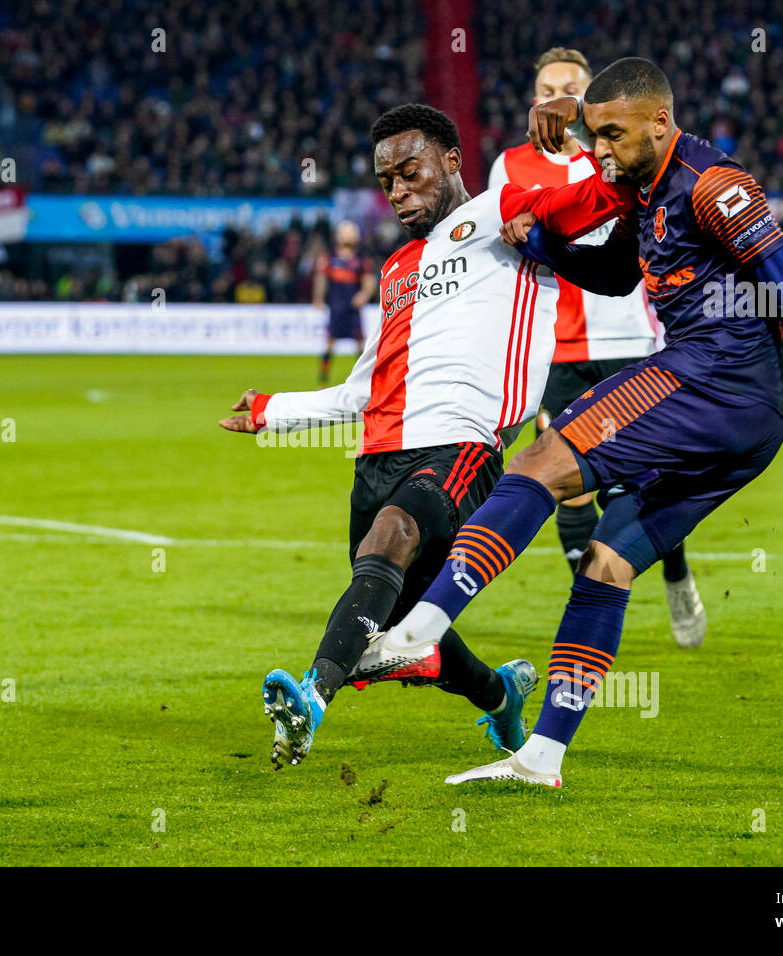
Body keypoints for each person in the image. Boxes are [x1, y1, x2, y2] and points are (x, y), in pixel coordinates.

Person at [367, 58, 783, 789]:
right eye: (594, 135)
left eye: (613, 135)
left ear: (660, 122)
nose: (600, 151)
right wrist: (544, 248)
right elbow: (617, 276)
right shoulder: (642, 188)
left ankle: (420, 627)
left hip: (713, 378)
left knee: (540, 463)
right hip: (744, 420)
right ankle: (543, 756)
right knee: (606, 564)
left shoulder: (715, 185)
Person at [219, 104, 561, 769]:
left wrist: (565, 133)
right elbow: (362, 389)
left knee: (395, 537)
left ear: (453, 162)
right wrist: (271, 411)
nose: (399, 192)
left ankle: (312, 701)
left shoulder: (500, 216)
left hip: (461, 446)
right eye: (387, 184)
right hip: (377, 457)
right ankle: (502, 694)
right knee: (411, 628)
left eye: (411, 173)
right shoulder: (398, 268)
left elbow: (588, 194)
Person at [488, 46, 705, 647]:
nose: (556, 94)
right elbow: (501, 250)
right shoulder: (508, 167)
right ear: (535, 98)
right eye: (547, 85)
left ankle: (678, 572)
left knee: (645, 477)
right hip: (554, 347)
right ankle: (589, 598)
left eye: (571, 86)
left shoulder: (615, 152)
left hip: (628, 336)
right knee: (568, 481)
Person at [313, 221, 375, 383]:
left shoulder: (362, 259)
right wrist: (318, 297)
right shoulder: (329, 258)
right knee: (329, 344)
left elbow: (369, 281)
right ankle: (323, 380)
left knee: (360, 345)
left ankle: (364, 380)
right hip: (336, 307)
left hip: (352, 308)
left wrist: (364, 294)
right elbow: (321, 278)